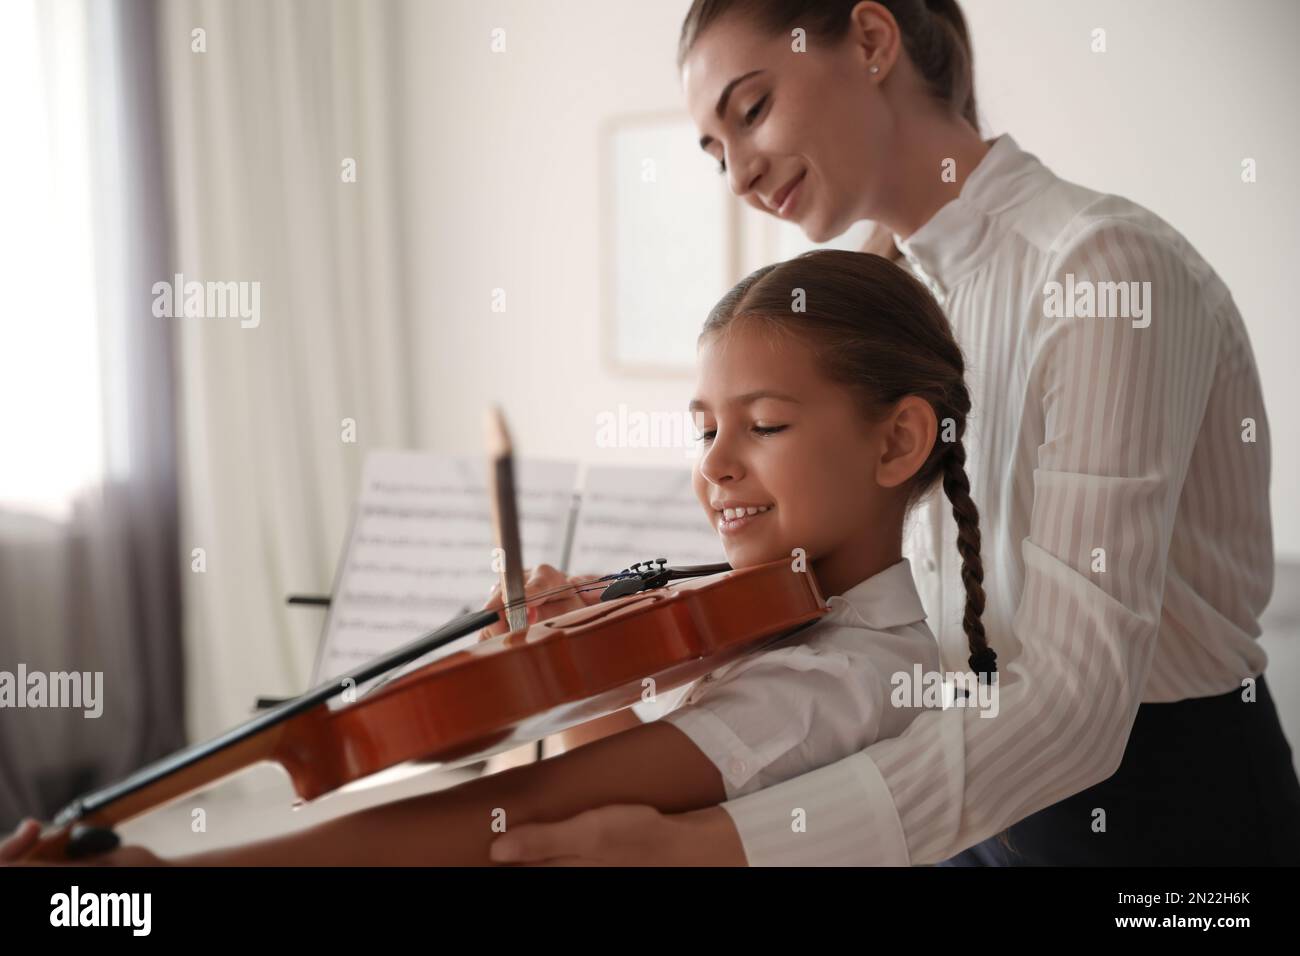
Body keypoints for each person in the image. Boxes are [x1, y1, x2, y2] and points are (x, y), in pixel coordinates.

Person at [485, 0, 1300, 866]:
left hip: (1164, 828)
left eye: (751, 111)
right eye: (715, 151)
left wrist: (708, 848)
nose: (738, 176)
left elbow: (1074, 704)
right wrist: (589, 657)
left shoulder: (1105, 272)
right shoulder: (869, 302)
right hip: (954, 794)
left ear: (873, 41)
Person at [2, 250, 992, 865]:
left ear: (897, 442)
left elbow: (521, 806)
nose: (717, 466)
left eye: (764, 423)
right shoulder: (777, 620)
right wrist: (568, 662)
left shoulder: (851, 676)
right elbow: (587, 774)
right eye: (703, 432)